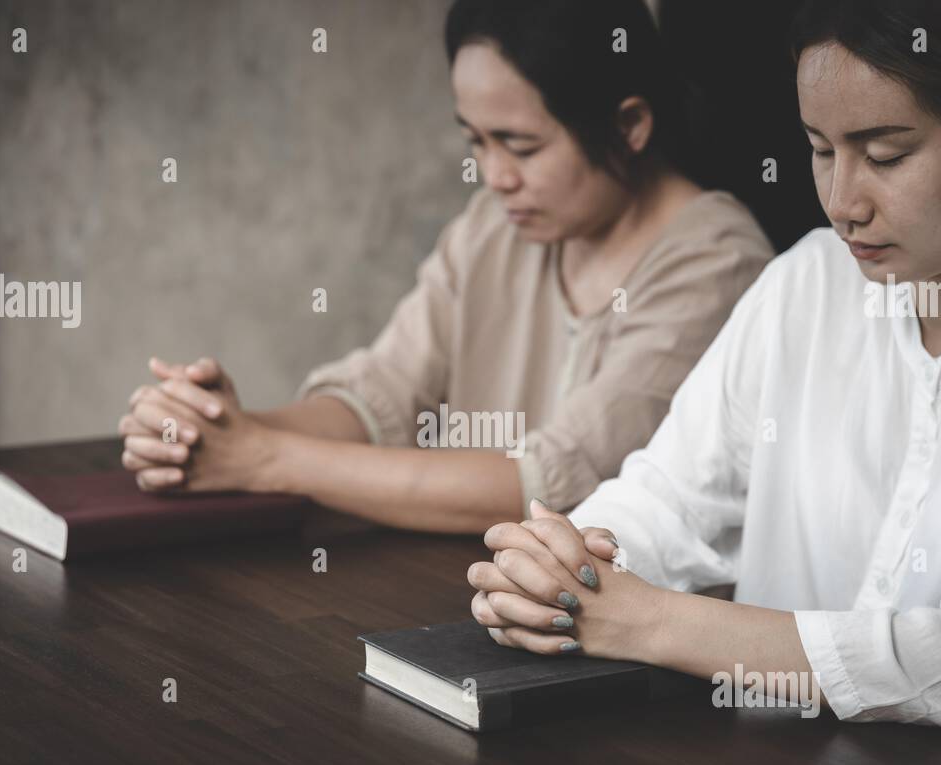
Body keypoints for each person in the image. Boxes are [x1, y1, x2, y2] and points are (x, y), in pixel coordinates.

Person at [466, 0, 941, 737]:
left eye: (885, 156)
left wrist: (647, 622)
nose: (843, 202)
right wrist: (558, 569)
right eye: (819, 149)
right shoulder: (806, 283)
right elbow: (669, 498)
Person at [117, 0, 771, 533]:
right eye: (476, 142)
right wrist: (217, 428)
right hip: (472, 595)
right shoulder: (494, 226)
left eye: (520, 145)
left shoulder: (717, 264)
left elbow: (541, 487)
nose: (494, 176)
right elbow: (382, 393)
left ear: (630, 125)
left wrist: (264, 458)